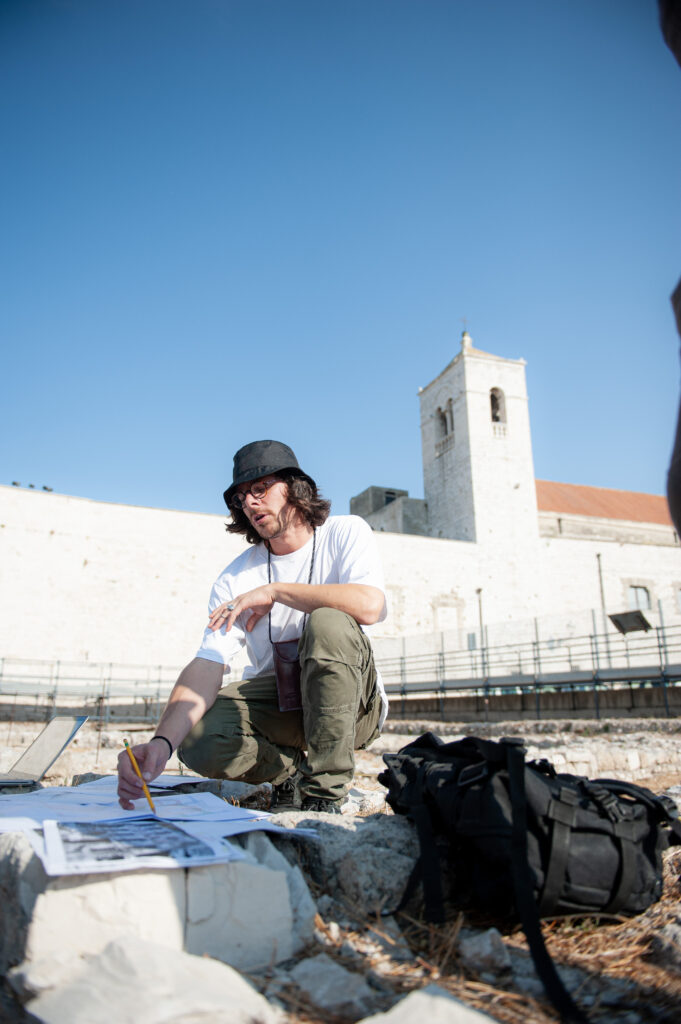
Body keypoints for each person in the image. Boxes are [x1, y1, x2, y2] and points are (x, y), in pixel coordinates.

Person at [117, 440, 388, 814]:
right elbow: (208, 664)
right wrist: (162, 743)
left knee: (328, 621)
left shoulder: (345, 532)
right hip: (283, 708)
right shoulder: (234, 578)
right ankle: (288, 773)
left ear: (295, 487)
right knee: (198, 737)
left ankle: (323, 796)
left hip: (353, 709)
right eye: (241, 497)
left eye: (260, 489)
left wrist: (276, 592)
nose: (250, 503)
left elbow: (370, 606)